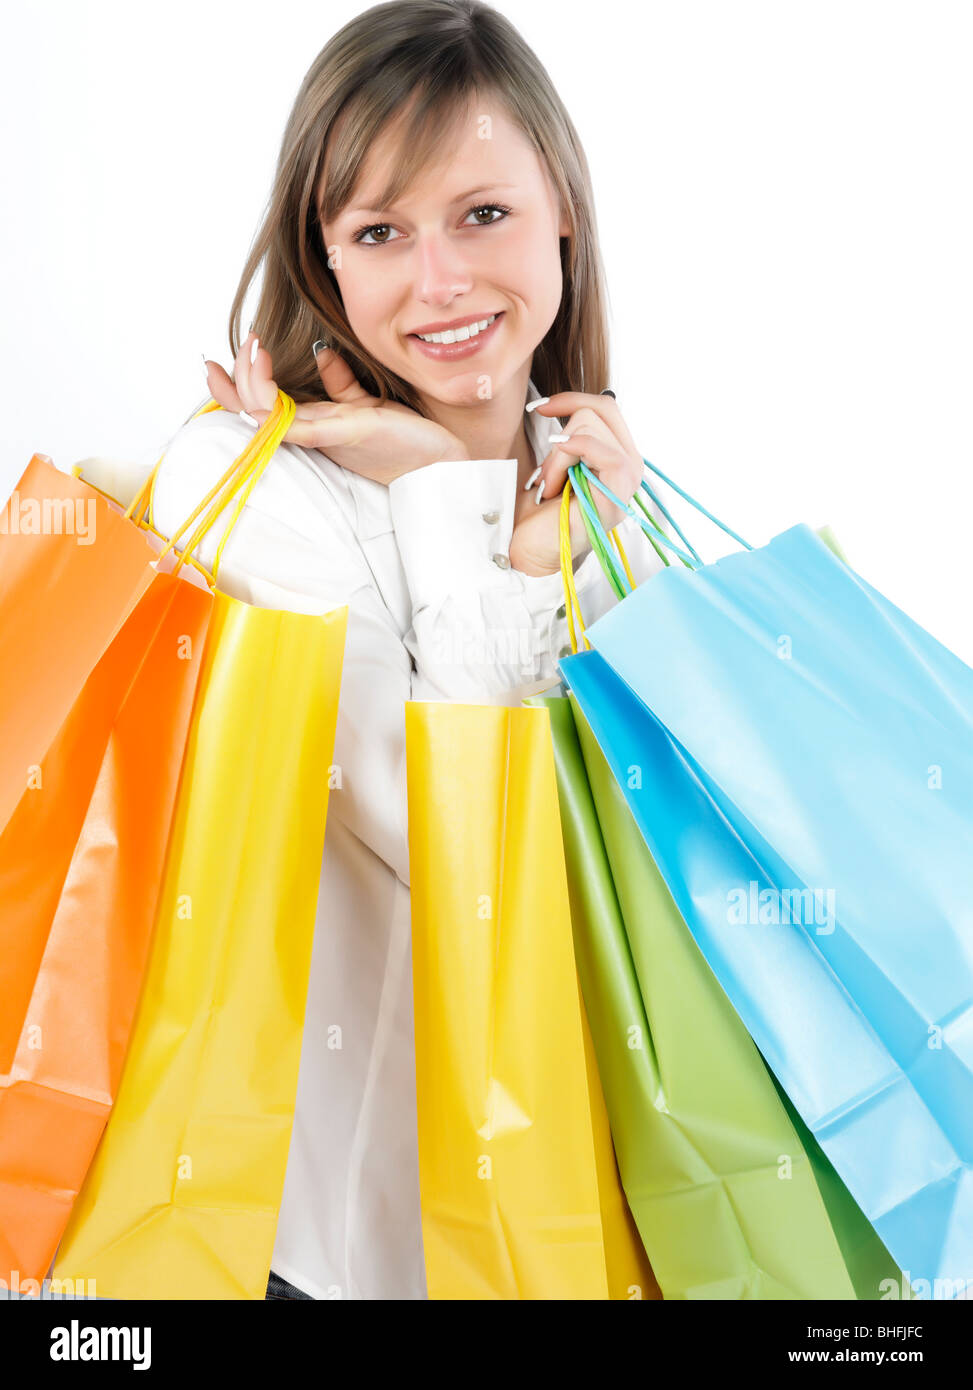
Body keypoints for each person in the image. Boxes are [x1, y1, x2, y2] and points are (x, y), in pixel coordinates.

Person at [148, 0, 666, 1299]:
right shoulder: (250, 483)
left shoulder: (602, 495)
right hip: (327, 1241)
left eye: (480, 214)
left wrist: (596, 543)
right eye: (380, 232)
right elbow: (454, 847)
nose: (438, 282)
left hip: (569, 1216)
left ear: (562, 209)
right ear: (322, 259)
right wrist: (448, 492)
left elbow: (647, 858)